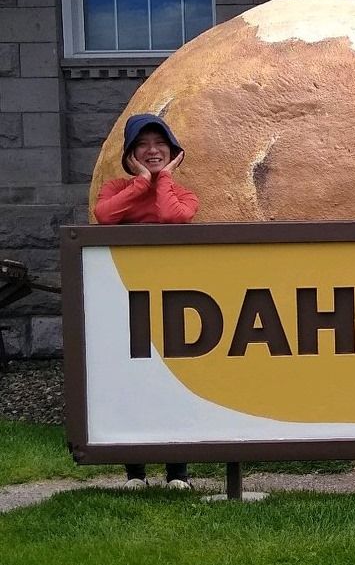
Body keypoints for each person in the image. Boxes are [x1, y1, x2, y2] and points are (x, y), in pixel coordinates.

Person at [94, 113, 199, 490]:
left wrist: (163, 179)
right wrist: (141, 182)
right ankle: (135, 473)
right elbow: (105, 216)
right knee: (130, 382)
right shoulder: (115, 189)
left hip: (171, 298)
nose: (152, 151)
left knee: (172, 382)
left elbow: (175, 217)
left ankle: (177, 473)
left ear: (173, 152)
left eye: (160, 144)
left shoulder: (182, 193)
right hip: (125, 296)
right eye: (143, 145)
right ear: (130, 154)